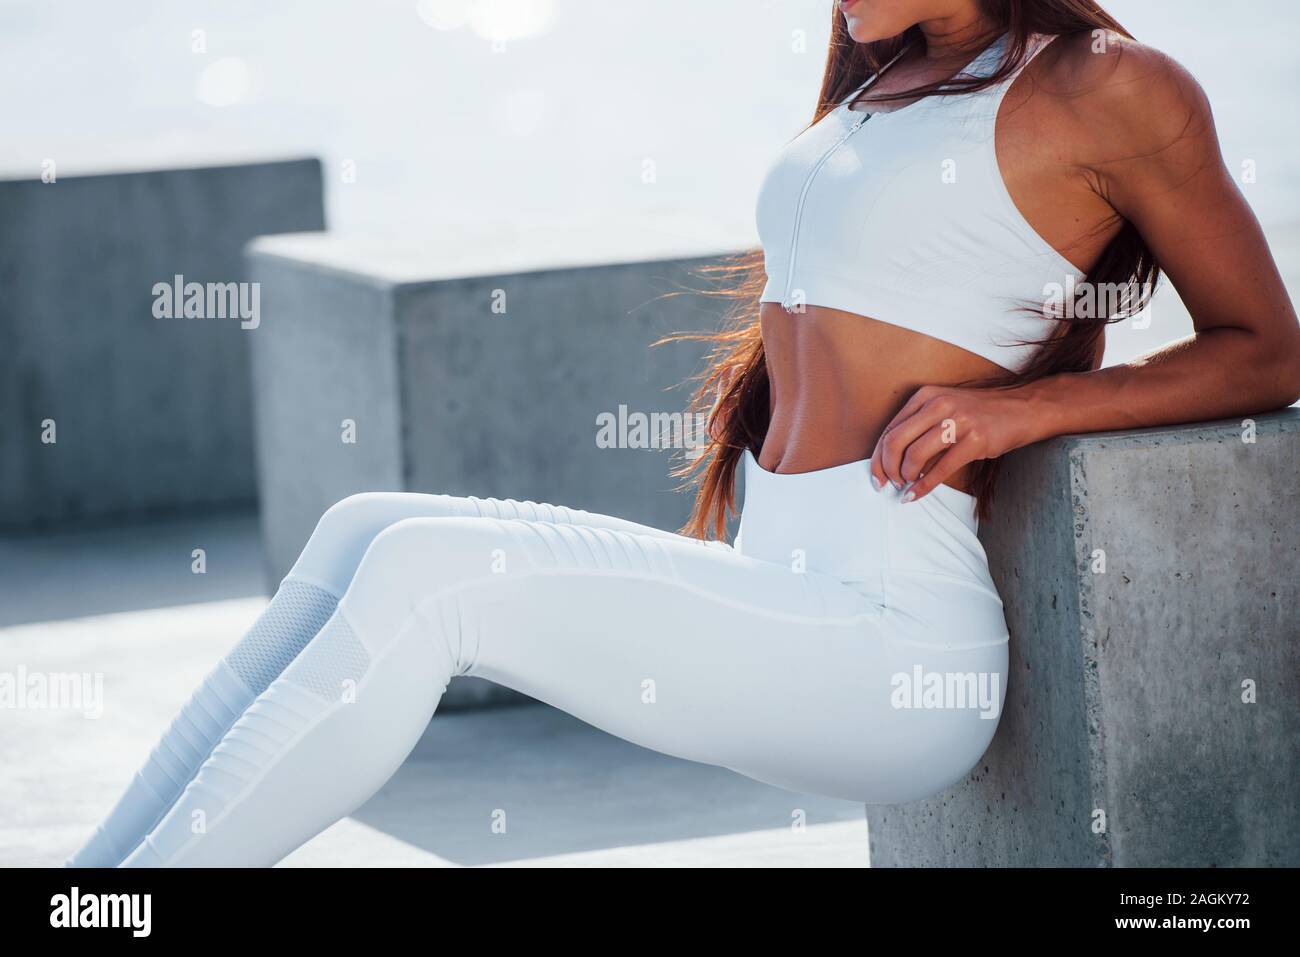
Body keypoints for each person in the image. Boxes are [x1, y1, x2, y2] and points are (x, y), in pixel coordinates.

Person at [70, 0, 1300, 866]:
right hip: (780, 589)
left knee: (420, 574)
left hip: (891, 650)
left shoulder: (1106, 86)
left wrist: (1024, 406)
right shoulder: (884, 73)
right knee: (366, 526)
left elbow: (1265, 346)